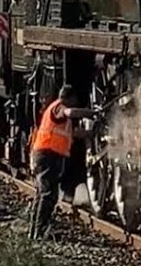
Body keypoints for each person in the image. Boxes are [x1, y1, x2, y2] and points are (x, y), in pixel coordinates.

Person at [29, 85, 100, 240]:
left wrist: (92, 133)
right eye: (74, 100)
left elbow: (72, 134)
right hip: (47, 155)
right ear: (69, 97)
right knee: (48, 195)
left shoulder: (57, 113)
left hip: (47, 155)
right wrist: (93, 114)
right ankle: (39, 232)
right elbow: (71, 112)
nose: (75, 103)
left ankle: (35, 231)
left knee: (43, 194)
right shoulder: (59, 107)